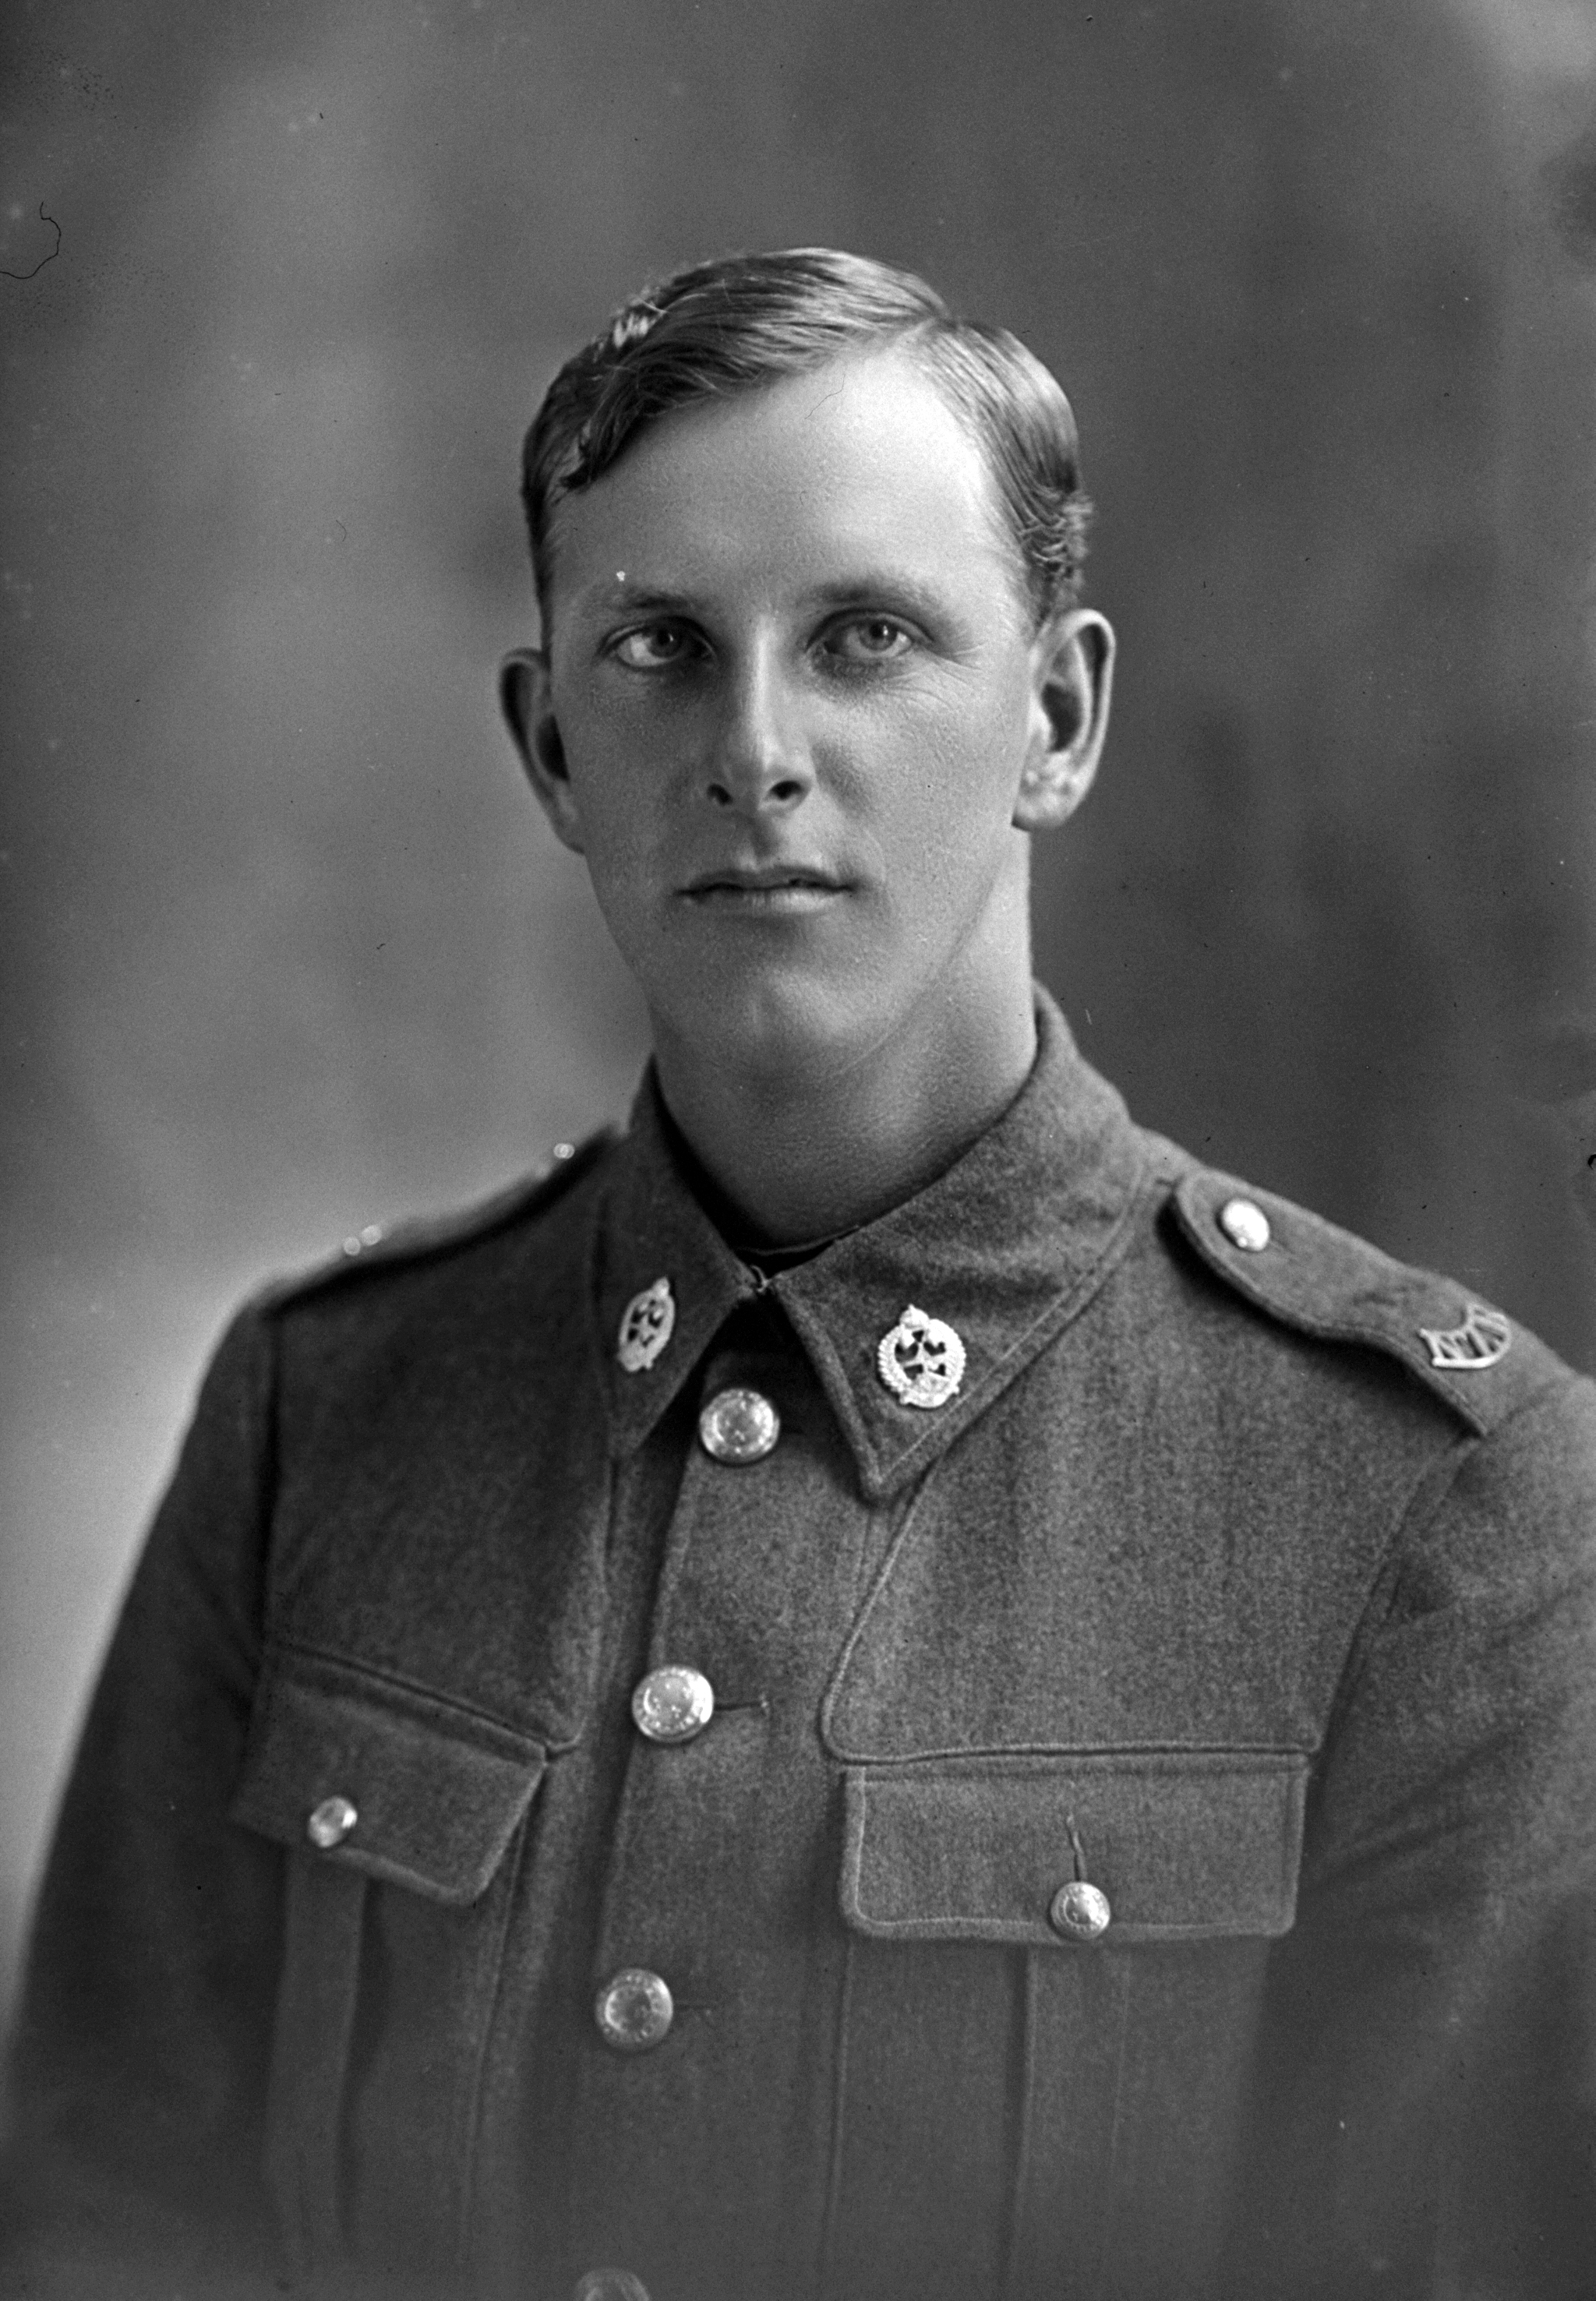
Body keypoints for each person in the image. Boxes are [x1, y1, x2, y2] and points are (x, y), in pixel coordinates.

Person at [4, 248, 1594, 2301]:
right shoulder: (329, 1408)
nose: (752, 747)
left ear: (1058, 715)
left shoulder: (1439, 1501)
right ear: (551, 749)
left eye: (865, 637)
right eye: (660, 645)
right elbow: (116, 2230)